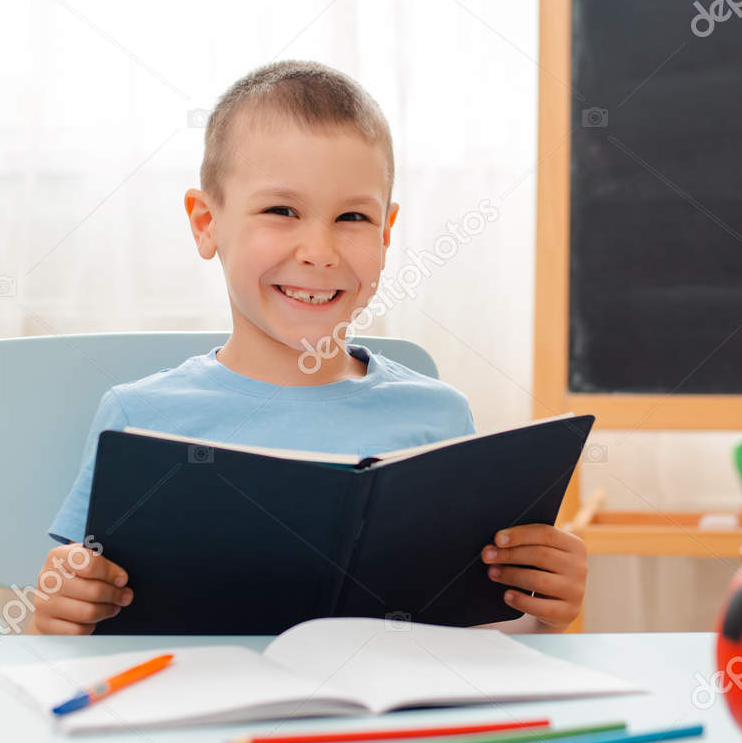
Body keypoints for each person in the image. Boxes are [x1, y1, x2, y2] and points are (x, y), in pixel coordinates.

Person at [33, 61, 587, 634]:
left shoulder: (441, 418)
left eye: (352, 216)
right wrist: (56, 614)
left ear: (386, 234)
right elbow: (73, 624)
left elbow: (478, 634)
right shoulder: (137, 421)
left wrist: (545, 613)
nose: (319, 251)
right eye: (281, 211)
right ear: (206, 222)